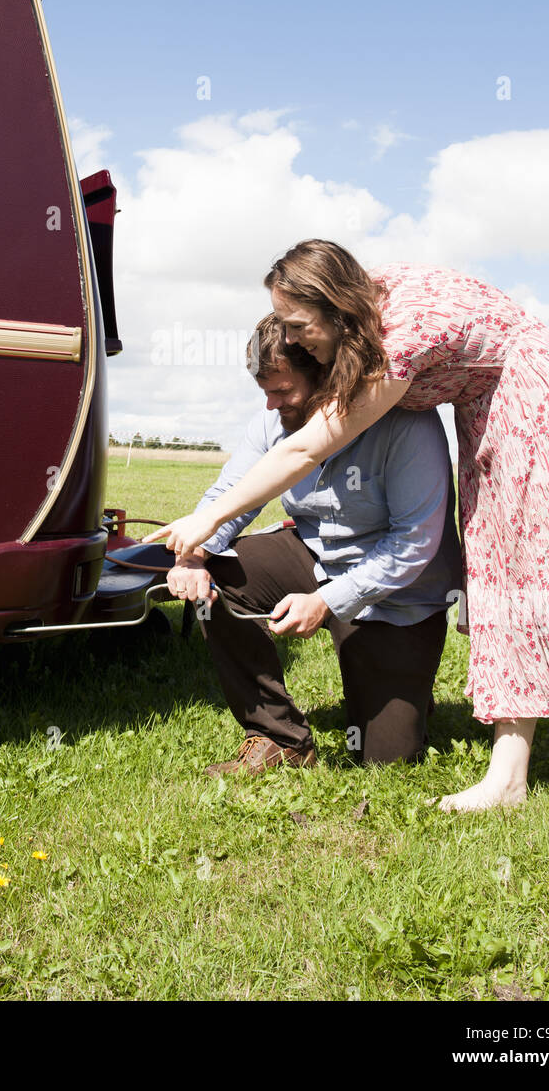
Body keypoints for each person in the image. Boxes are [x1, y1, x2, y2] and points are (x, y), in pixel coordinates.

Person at [145, 240, 549, 892]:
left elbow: (303, 451)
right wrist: (201, 549)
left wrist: (204, 526)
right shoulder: (374, 299)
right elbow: (271, 450)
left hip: (547, 430)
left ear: (334, 306)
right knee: (506, 601)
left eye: (297, 326)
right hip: (496, 425)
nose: (289, 338)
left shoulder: (394, 345)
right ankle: (508, 776)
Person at [167, 314, 463, 774]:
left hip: (395, 596)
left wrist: (325, 602)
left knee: (384, 758)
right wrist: (194, 555)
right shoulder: (275, 419)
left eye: (282, 391)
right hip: (317, 557)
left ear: (326, 376)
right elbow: (231, 497)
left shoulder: (407, 424)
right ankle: (277, 737)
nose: (270, 405)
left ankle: (407, 695)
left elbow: (413, 544)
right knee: (222, 578)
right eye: (265, 391)